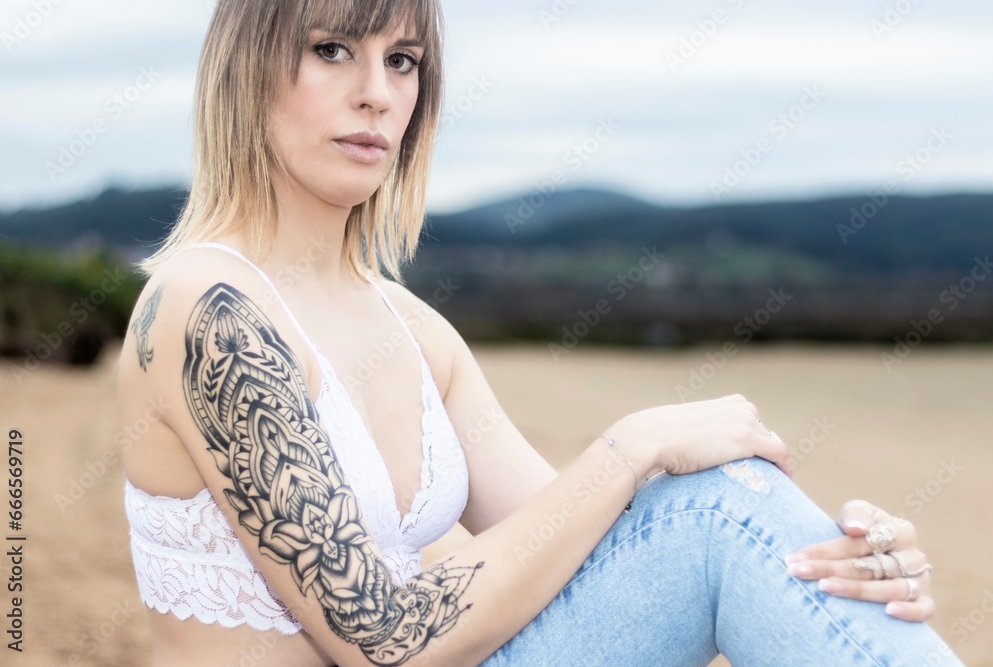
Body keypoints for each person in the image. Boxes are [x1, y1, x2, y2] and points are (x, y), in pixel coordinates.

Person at [118, 1, 964, 665]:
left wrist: (840, 562)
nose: (377, 91)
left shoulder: (412, 330)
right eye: (332, 48)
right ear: (245, 68)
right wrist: (633, 443)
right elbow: (382, 635)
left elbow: (598, 539)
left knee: (728, 501)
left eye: (403, 59)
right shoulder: (207, 307)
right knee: (713, 507)